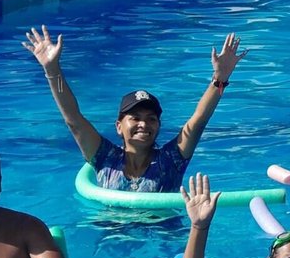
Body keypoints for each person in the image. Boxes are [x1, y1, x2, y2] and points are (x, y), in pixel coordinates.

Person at [23, 25, 246, 191]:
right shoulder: (105, 158)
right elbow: (73, 120)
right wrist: (52, 70)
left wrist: (220, 79)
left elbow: (198, 121)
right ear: (119, 126)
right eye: (135, 117)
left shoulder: (171, 160)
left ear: (158, 126)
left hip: (162, 234)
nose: (143, 124)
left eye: (151, 119)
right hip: (114, 233)